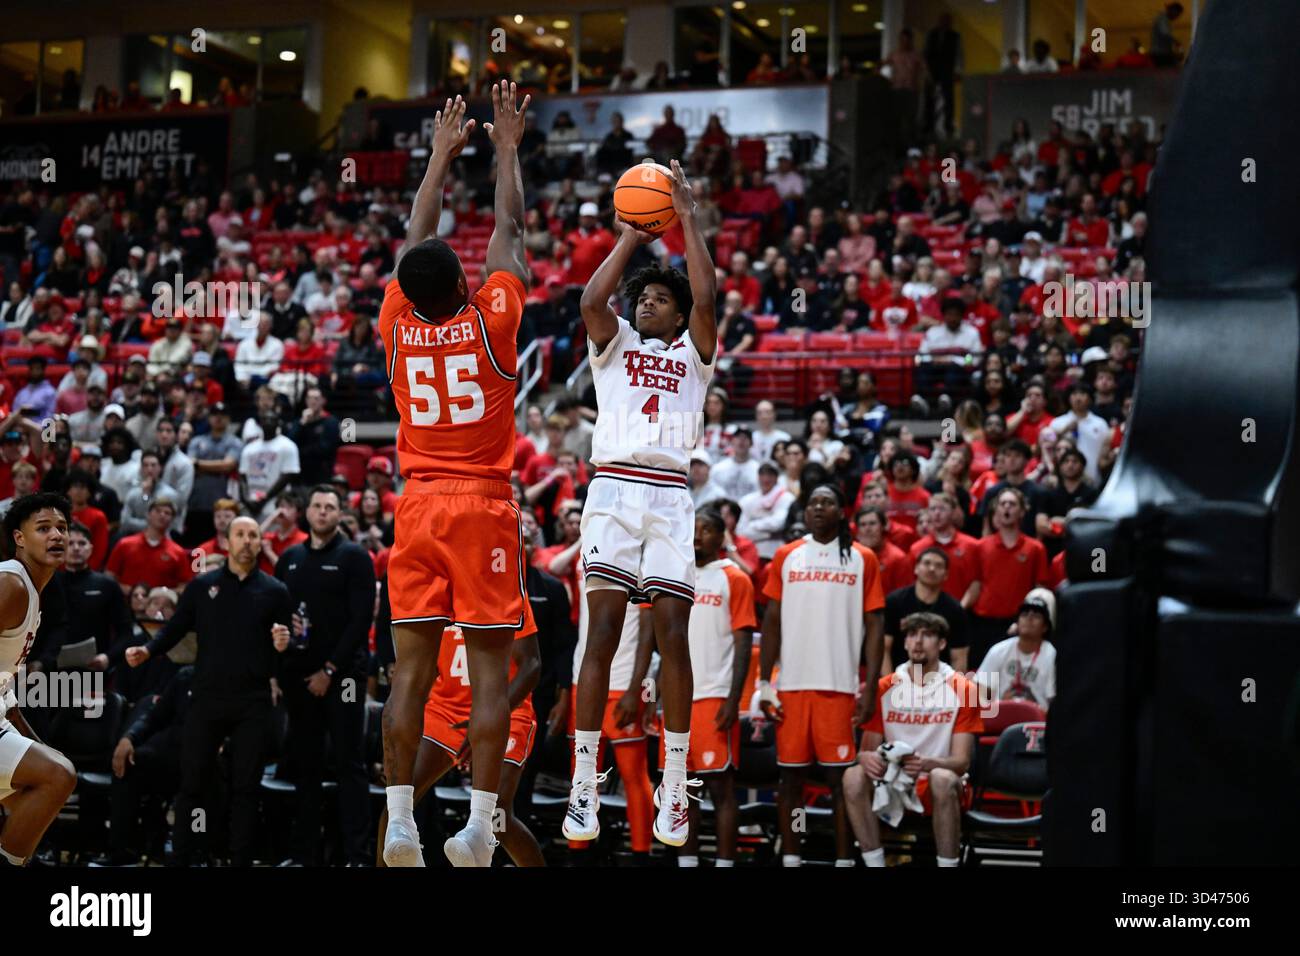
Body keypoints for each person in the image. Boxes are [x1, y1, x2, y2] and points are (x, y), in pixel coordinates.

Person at [378, 86, 538, 869]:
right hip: (481, 506)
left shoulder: (395, 322)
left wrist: (440, 153)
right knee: (487, 675)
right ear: (464, 289)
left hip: (416, 505)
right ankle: (478, 826)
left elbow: (418, 235)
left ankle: (400, 821)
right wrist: (506, 144)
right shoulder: (494, 316)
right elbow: (508, 228)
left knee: (410, 671)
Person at [566, 154, 717, 848]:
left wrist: (684, 218)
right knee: (601, 637)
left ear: (679, 315)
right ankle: (581, 781)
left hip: (668, 494)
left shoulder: (695, 354)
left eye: (657, 298)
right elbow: (591, 301)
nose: (643, 303)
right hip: (613, 489)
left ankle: (677, 784)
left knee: (673, 635)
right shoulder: (615, 343)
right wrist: (630, 233)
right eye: (643, 298)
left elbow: (710, 300)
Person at [124, 516, 294, 866]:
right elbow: (175, 628)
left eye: (253, 535)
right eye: (240, 535)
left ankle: (238, 859)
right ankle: (186, 855)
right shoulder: (203, 587)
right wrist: (149, 650)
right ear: (228, 543)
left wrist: (283, 646)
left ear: (260, 542)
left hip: (253, 700)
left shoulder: (276, 591)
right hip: (207, 697)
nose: (246, 541)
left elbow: (287, 649)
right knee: (193, 782)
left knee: (246, 788)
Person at [758, 485, 885, 867]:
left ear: (841, 511)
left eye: (827, 502)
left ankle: (844, 859)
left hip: (840, 687)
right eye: (812, 502)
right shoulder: (786, 555)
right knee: (791, 784)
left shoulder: (863, 558)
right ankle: (793, 858)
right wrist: (765, 683)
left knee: (839, 785)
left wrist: (870, 688)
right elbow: (772, 622)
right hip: (793, 687)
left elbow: (875, 625)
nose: (818, 507)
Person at [375, 622, 545, 867]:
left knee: (499, 816)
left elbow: (532, 665)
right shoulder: (436, 593)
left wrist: (488, 725)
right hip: (446, 711)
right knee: (397, 804)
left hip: (501, 709)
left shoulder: (507, 590)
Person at [273, 485, 376, 866]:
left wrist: (330, 670)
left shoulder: (354, 557)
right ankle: (304, 854)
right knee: (306, 765)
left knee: (350, 763)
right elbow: (281, 615)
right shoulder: (290, 559)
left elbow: (360, 620)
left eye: (329, 507)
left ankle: (357, 855)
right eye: (316, 505)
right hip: (300, 677)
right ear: (307, 512)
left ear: (339, 513)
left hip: (344, 676)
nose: (322, 512)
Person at [843, 612, 982, 868]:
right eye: (911, 635)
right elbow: (867, 752)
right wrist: (866, 757)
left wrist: (927, 763)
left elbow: (961, 762)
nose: (918, 641)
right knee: (852, 776)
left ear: (941, 644)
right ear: (904, 642)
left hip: (936, 783)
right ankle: (875, 863)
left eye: (927, 635)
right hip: (893, 782)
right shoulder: (884, 687)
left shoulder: (964, 689)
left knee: (942, 778)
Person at [670, 509, 755, 866]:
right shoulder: (675, 576)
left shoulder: (734, 578)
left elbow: (743, 644)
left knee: (721, 787)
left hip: (715, 694)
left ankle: (724, 862)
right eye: (693, 528)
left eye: (706, 529)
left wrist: (734, 698)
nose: (697, 535)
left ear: (722, 538)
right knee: (681, 788)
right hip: (678, 699)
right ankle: (687, 863)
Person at [0, 493, 78, 867]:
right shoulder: (12, 585)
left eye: (62, 528)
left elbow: (5, 688)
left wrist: (34, 741)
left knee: (33, 799)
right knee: (58, 776)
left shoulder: (33, 591)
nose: (56, 535)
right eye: (43, 528)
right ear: (19, 537)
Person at [564, 582, 657, 860]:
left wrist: (637, 688)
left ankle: (642, 854)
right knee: (581, 776)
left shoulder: (638, 559)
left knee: (634, 775)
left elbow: (647, 632)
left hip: (622, 684)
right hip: (583, 680)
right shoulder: (586, 555)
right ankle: (578, 853)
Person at [969, 488, 1050, 664]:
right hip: (984, 622)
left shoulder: (1035, 548)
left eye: (1012, 504)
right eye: (1002, 504)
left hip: (1018, 623)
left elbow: (1040, 589)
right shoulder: (980, 546)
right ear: (996, 511)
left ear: (1022, 511)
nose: (1006, 508)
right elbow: (975, 585)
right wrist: (959, 610)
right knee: (983, 681)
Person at [883, 547, 969, 673]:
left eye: (938, 565)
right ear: (916, 568)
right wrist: (891, 686)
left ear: (946, 575)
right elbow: (884, 648)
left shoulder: (955, 610)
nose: (932, 569)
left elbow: (959, 657)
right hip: (900, 676)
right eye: (927, 563)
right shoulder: (894, 602)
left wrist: (953, 691)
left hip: (939, 681)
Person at [975, 587, 1056, 710]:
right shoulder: (998, 650)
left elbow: (1055, 703)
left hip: (1038, 722)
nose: (1029, 618)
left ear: (1045, 627)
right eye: (1024, 614)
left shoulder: (1052, 656)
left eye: (1036, 615)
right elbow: (980, 693)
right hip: (1000, 717)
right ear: (1017, 623)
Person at [105, 497, 195, 595]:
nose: (162, 515)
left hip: (160, 606)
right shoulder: (125, 544)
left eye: (167, 513)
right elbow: (109, 576)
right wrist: (129, 592)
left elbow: (184, 586)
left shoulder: (178, 552)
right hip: (125, 604)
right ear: (148, 514)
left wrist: (161, 594)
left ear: (172, 520)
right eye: (158, 511)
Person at [907, 492, 981, 608]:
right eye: (932, 509)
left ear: (952, 513)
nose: (937, 514)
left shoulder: (971, 546)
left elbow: (976, 582)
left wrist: (959, 609)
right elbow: (911, 582)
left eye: (942, 509)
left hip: (961, 610)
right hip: (925, 611)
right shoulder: (917, 548)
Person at [1050, 383, 1110, 485]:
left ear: (1090, 398)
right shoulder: (1057, 422)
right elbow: (1048, 448)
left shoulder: (1100, 424)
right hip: (1063, 483)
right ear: (1068, 398)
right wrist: (1065, 430)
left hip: (1093, 479)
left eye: (1082, 394)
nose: (1078, 398)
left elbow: (1105, 453)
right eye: (1074, 394)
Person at [737, 462, 796, 562]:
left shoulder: (786, 497)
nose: (766, 479)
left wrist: (751, 525)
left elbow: (778, 524)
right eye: (762, 474)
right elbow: (740, 531)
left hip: (775, 553)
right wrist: (769, 534)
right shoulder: (747, 500)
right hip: (750, 553)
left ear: (776, 478)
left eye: (770, 475)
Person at [710, 427, 760, 501]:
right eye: (738, 437)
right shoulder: (718, 469)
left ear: (751, 444)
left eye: (746, 438)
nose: (741, 440)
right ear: (732, 442)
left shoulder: (758, 469)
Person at [751, 399, 791, 465]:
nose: (764, 416)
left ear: (774, 414)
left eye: (767, 412)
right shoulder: (750, 438)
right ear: (756, 416)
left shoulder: (784, 437)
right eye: (760, 413)